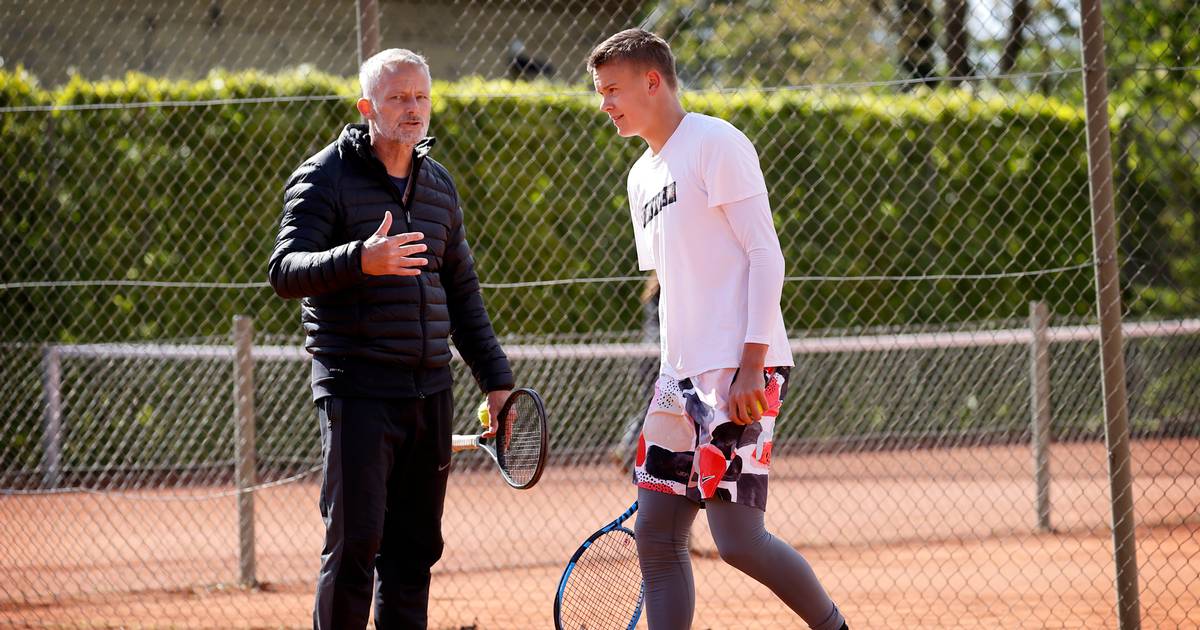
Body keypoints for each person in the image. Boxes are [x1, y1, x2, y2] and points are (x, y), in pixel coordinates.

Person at [587, 29, 848, 630]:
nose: (605, 104)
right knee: (655, 535)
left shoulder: (716, 142)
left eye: (612, 90)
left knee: (737, 541)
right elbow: (675, 285)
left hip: (742, 371)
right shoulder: (640, 178)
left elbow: (765, 255)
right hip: (677, 381)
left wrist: (752, 364)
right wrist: (669, 381)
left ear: (652, 82)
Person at [268, 48, 514, 630]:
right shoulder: (323, 176)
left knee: (414, 552)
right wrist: (361, 259)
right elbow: (285, 270)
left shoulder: (437, 185)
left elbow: (463, 293)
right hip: (357, 389)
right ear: (367, 106)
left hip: (430, 390)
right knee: (355, 546)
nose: (413, 108)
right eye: (398, 97)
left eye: (421, 96)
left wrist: (497, 382)